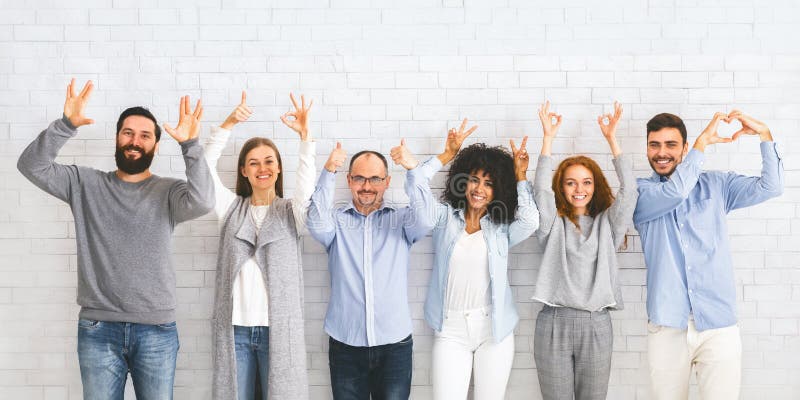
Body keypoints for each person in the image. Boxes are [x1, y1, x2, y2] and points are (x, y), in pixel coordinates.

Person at [16, 79, 214, 400]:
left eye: (145, 135)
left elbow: (204, 201)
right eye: (128, 133)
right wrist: (66, 125)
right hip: (98, 330)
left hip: (156, 331)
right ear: (117, 137)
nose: (135, 141)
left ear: (155, 146)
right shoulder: (84, 183)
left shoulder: (169, 191)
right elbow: (31, 165)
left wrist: (190, 145)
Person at [634, 110, 783, 400]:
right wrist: (703, 142)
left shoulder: (717, 186)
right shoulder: (642, 194)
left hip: (718, 325)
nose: (661, 153)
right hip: (668, 326)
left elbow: (771, 186)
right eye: (654, 145)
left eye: (670, 145)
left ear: (685, 149)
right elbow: (675, 193)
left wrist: (765, 134)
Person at [306, 135, 438, 399]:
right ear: (349, 181)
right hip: (345, 345)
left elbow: (428, 218)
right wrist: (328, 171)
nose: (367, 186)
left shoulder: (402, 221)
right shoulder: (335, 223)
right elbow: (315, 223)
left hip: (395, 346)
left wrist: (413, 170)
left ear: (387, 182)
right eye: (359, 178)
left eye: (375, 179)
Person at [416, 120, 539, 400]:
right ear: (462, 180)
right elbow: (416, 187)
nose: (479, 189)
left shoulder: (501, 229)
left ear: (499, 190)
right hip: (451, 329)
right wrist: (444, 156)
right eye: (474, 179)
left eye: (489, 183)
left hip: (493, 329)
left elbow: (532, 220)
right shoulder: (444, 218)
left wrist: (521, 176)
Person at [205, 92, 313, 400]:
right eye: (253, 163)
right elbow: (204, 169)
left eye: (269, 161)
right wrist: (228, 124)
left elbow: (306, 191)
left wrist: (306, 141)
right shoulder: (229, 209)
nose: (261, 168)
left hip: (278, 332)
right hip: (235, 332)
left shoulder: (292, 212)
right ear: (243, 170)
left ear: (279, 168)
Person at [530, 101, 637, 400]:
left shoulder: (609, 225)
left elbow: (630, 192)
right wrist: (548, 140)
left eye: (586, 182)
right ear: (561, 188)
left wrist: (612, 139)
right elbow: (540, 192)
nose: (579, 188)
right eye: (571, 183)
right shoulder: (552, 225)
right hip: (554, 323)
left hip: (597, 325)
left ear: (596, 185)